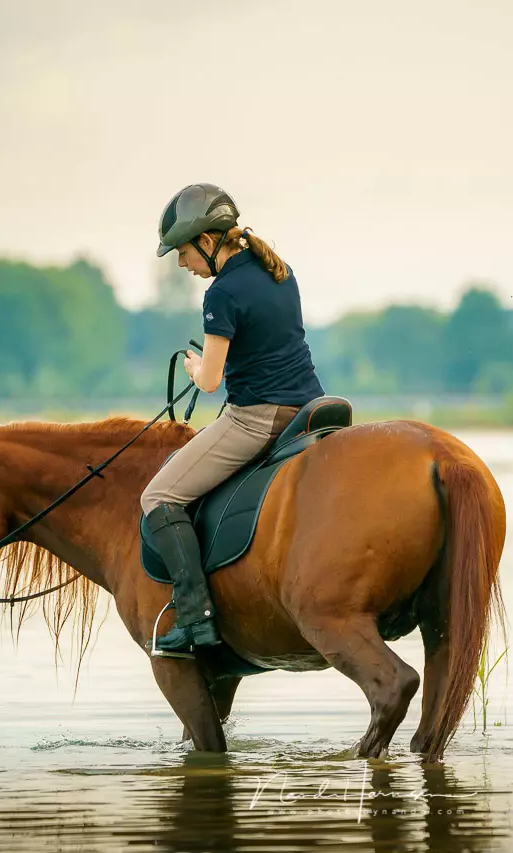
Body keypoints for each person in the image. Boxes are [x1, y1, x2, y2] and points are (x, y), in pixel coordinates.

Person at [142, 182, 325, 657]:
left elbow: (209, 381)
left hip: (257, 418)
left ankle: (196, 620)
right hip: (309, 410)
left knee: (158, 495)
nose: (182, 264)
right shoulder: (281, 273)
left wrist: (191, 365)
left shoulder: (221, 294)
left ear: (207, 240)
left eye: (183, 252)